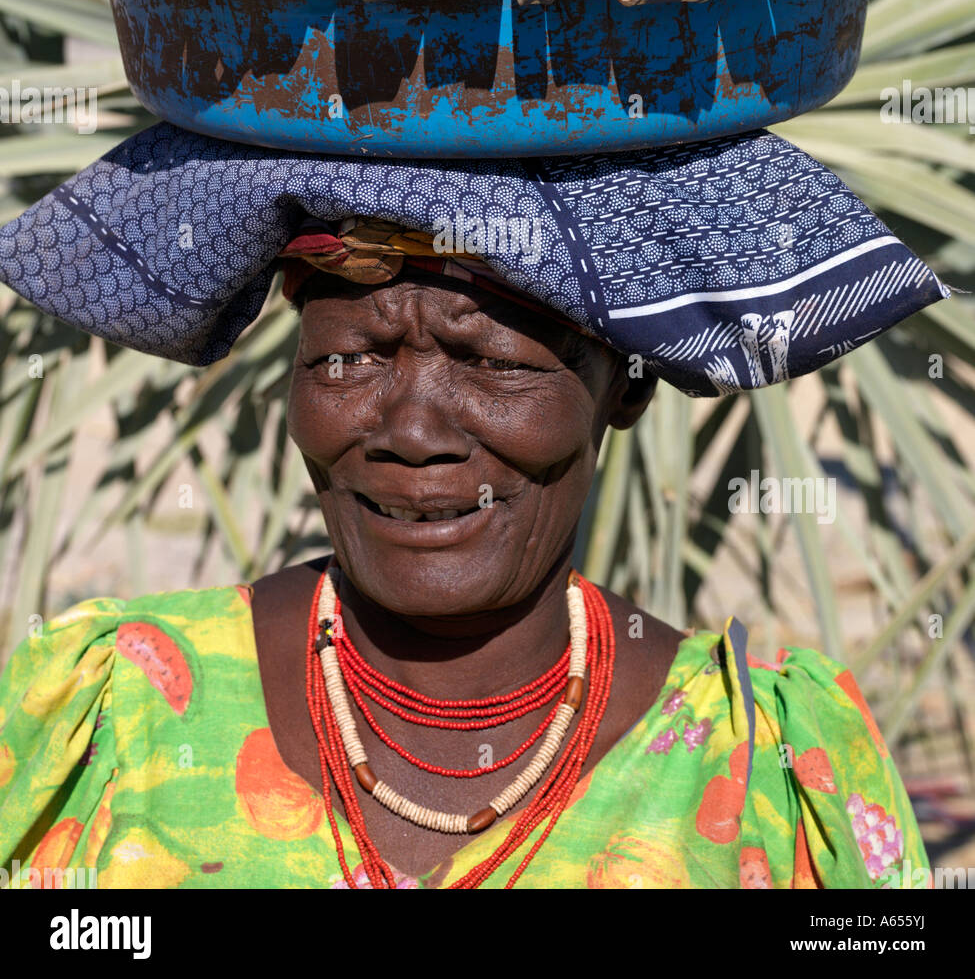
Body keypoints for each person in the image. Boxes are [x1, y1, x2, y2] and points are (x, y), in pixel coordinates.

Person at [0, 125, 941, 888]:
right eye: (350, 359)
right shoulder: (112, 712)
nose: (412, 432)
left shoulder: (767, 764)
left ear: (624, 388)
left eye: (493, 363)